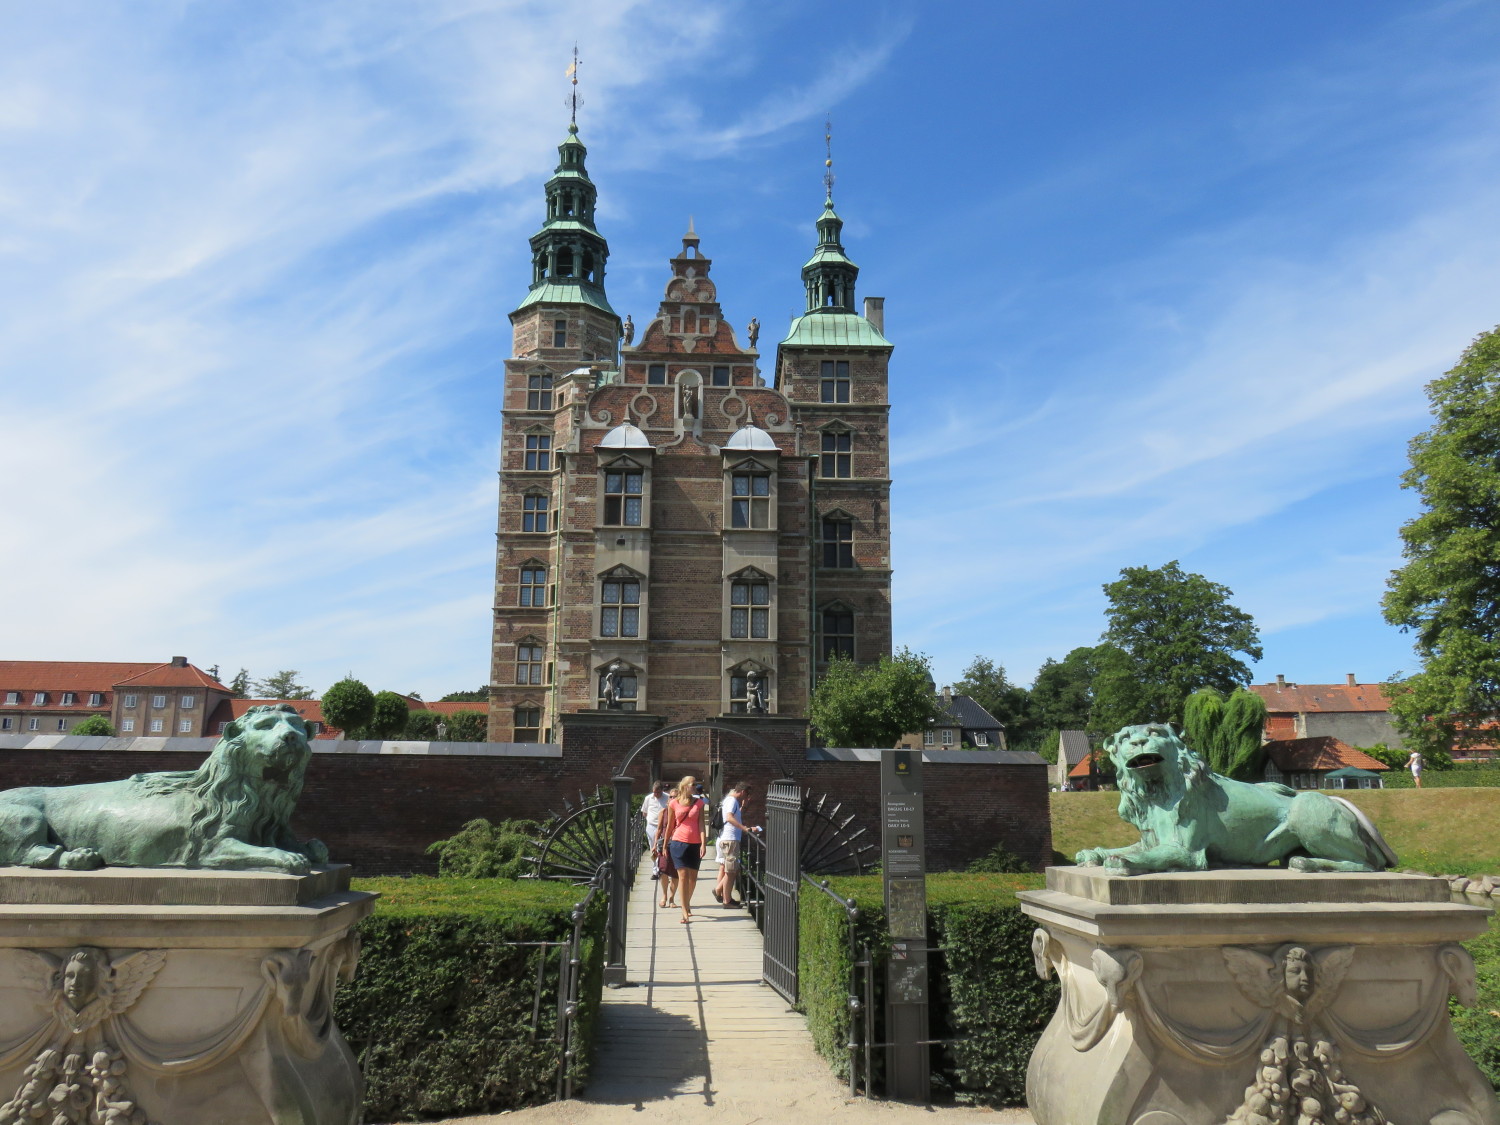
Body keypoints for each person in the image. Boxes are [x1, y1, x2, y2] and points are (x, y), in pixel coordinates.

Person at [655, 775, 709, 924]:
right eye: (693, 784)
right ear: (685, 786)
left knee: (693, 879)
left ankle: (687, 902)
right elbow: (670, 825)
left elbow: (701, 824)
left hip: (695, 844)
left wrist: (703, 843)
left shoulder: (699, 803)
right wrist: (665, 845)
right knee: (683, 876)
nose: (695, 786)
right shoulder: (673, 804)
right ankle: (684, 911)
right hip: (678, 843)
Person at [714, 781, 759, 908]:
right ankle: (725, 899)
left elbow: (734, 816)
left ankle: (722, 894)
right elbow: (729, 818)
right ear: (743, 792)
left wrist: (743, 807)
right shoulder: (732, 801)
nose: (747, 797)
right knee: (731, 870)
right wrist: (745, 828)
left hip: (730, 839)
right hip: (730, 839)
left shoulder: (731, 801)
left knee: (732, 868)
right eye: (747, 794)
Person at [641, 780, 674, 905]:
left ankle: (665, 868)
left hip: (665, 827)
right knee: (653, 848)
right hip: (652, 826)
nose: (656, 794)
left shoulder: (667, 798)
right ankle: (656, 870)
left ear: (661, 790)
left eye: (658, 792)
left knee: (665, 848)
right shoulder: (648, 798)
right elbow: (644, 812)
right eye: (654, 792)